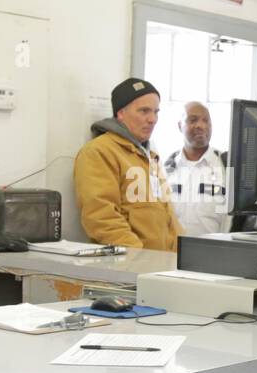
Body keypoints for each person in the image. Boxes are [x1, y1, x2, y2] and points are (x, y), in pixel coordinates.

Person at [74, 78, 181, 250]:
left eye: (156, 112)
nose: (153, 119)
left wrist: (184, 257)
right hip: (132, 268)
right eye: (144, 111)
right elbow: (101, 217)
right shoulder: (99, 152)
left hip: (162, 268)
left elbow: (169, 217)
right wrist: (137, 258)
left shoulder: (150, 156)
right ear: (121, 113)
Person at [164, 101, 229, 235]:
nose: (201, 125)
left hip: (214, 252)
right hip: (171, 254)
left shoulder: (227, 166)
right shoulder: (165, 170)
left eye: (206, 120)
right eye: (193, 120)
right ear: (179, 126)